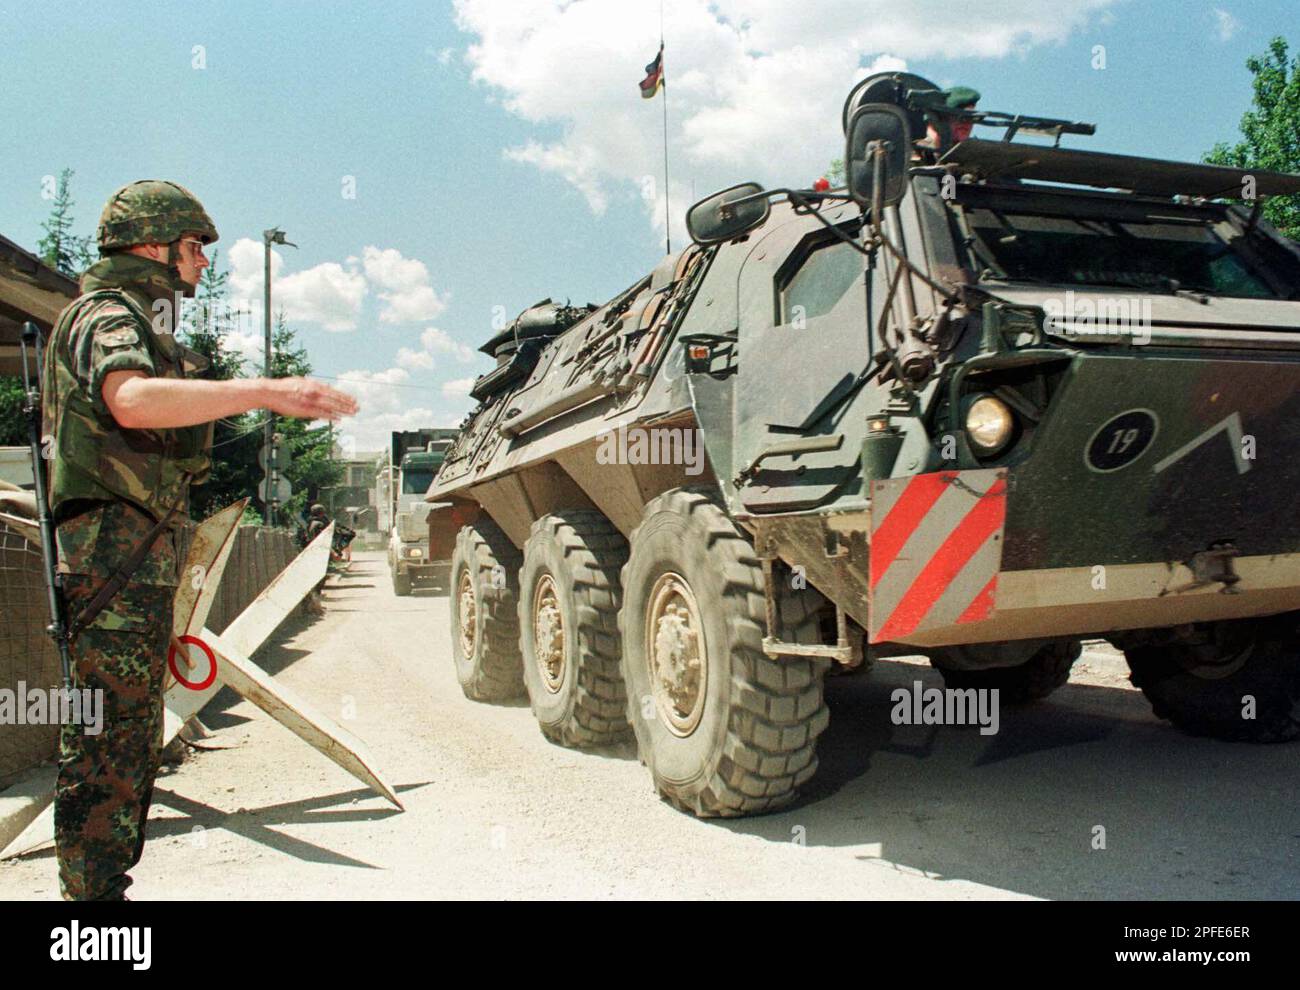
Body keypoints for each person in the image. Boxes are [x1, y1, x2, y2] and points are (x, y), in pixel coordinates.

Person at [42, 179, 359, 900]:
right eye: (193, 248)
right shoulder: (107, 313)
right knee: (105, 742)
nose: (203, 263)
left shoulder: (134, 316)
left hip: (130, 552)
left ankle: (99, 898)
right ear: (152, 247)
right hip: (111, 555)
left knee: (123, 737)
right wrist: (266, 391)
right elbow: (130, 398)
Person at [917, 85, 981, 158]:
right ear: (936, 118)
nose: (967, 123)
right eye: (960, 117)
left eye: (971, 118)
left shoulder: (976, 157)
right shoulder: (908, 154)